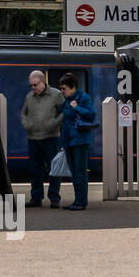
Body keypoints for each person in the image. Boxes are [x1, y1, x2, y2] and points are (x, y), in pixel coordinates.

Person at [20, 70, 64, 208]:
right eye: (31, 85)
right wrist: (27, 125)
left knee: (54, 169)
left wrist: (54, 124)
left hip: (52, 137)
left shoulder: (56, 94)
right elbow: (24, 114)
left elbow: (64, 112)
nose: (33, 88)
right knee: (35, 169)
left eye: (35, 84)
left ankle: (54, 198)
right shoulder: (29, 97)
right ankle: (36, 197)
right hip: (33, 138)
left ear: (43, 81)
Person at [57, 72, 97, 210]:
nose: (62, 91)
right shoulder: (67, 100)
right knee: (74, 172)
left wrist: (76, 107)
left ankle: (81, 202)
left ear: (73, 87)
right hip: (69, 141)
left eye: (64, 88)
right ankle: (77, 201)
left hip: (80, 140)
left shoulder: (83, 98)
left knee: (80, 172)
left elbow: (91, 114)